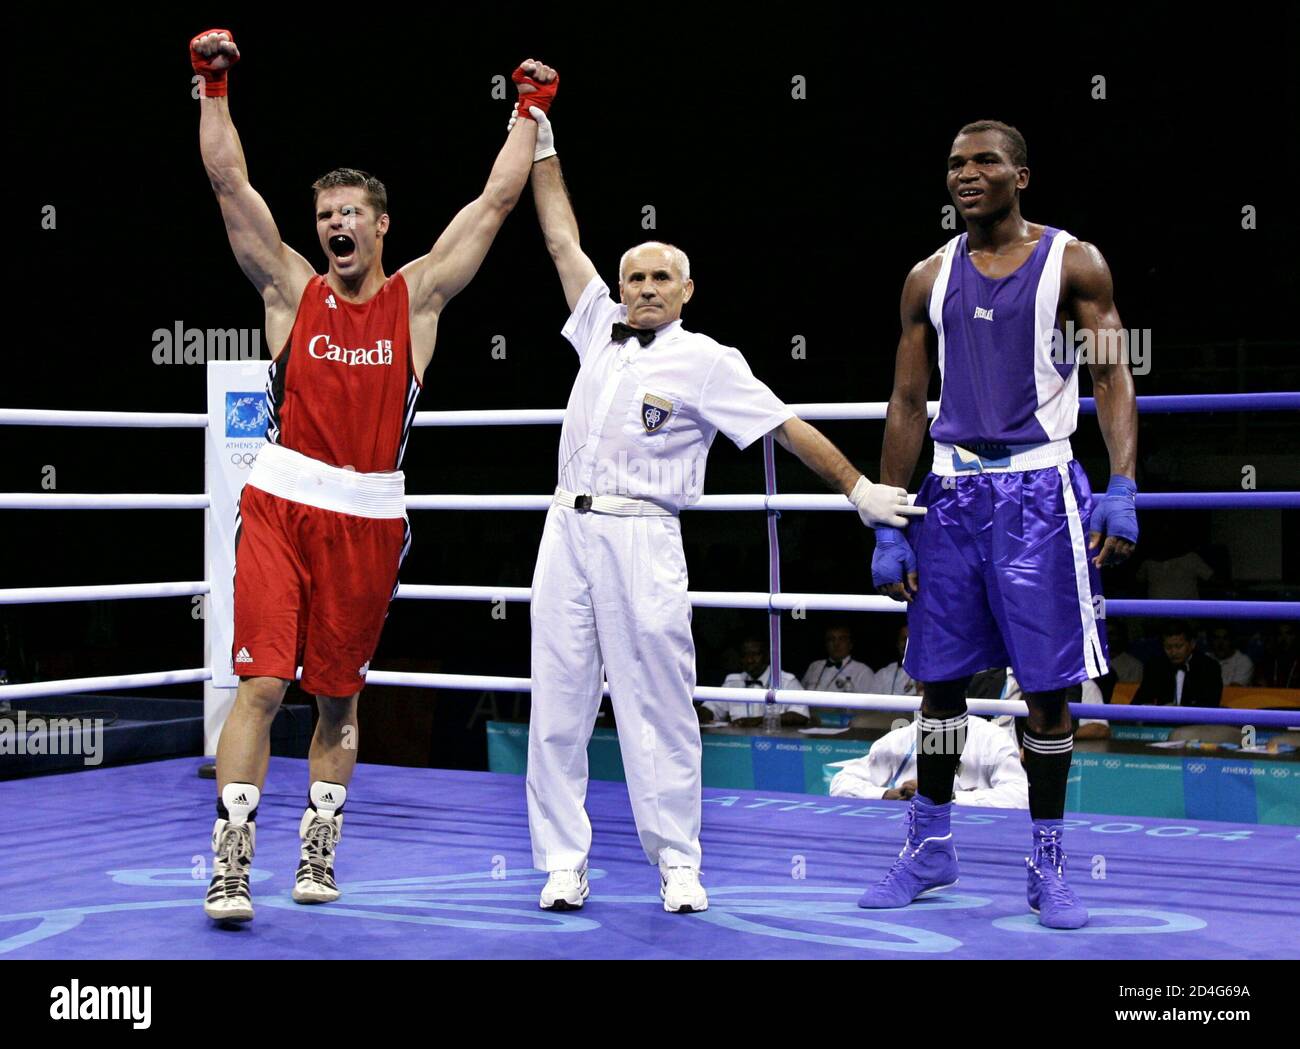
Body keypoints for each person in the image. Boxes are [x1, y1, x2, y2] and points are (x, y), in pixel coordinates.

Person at [520, 105, 924, 914]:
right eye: (632, 276)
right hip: (565, 526)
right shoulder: (598, 326)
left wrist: (858, 490)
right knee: (557, 701)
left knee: (659, 707)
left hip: (645, 534)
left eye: (658, 278)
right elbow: (562, 237)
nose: (640, 288)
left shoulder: (708, 360)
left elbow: (786, 425)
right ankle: (563, 862)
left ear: (686, 290)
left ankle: (676, 861)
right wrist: (542, 137)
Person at [190, 29, 553, 923]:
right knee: (263, 684)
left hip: (369, 518)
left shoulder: (417, 298)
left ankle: (320, 844)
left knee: (337, 699)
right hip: (279, 501)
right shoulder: (289, 289)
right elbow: (230, 186)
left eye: (351, 213)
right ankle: (231, 860)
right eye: (325, 216)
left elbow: (496, 203)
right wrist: (211, 87)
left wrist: (530, 111)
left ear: (381, 224)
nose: (335, 226)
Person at [862, 120, 1139, 929]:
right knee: (939, 684)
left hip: (1038, 495)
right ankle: (931, 844)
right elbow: (909, 402)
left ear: (1023, 175)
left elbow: (1114, 372)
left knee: (1049, 692)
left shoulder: (1073, 261)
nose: (967, 174)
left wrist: (1121, 484)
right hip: (950, 496)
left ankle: (1047, 862)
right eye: (955, 163)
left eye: (985, 161)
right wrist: (890, 513)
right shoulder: (927, 275)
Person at [829, 714, 1028, 809]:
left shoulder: (990, 737)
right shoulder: (902, 737)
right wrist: (887, 794)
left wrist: (948, 797)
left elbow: (1021, 796)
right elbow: (840, 783)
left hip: (977, 838)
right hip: (905, 834)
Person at [706, 638, 810, 726]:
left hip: (777, 744)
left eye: (755, 654)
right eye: (744, 655)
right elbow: (710, 708)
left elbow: (801, 715)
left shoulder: (786, 681)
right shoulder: (733, 682)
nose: (749, 660)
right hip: (739, 744)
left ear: (767, 656)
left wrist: (758, 721)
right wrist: (701, 713)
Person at [1133, 621, 1223, 708]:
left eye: (1179, 646)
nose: (1174, 652)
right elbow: (1139, 701)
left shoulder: (1209, 667)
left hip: (1197, 722)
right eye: (1168, 647)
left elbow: (1211, 704)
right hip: (1162, 721)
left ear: (1192, 644)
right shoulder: (1155, 666)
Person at [802, 625, 875, 694]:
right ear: (826, 644)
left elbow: (870, 704)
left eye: (842, 639)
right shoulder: (814, 666)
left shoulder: (863, 672)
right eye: (831, 639)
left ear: (850, 645)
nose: (836, 644)